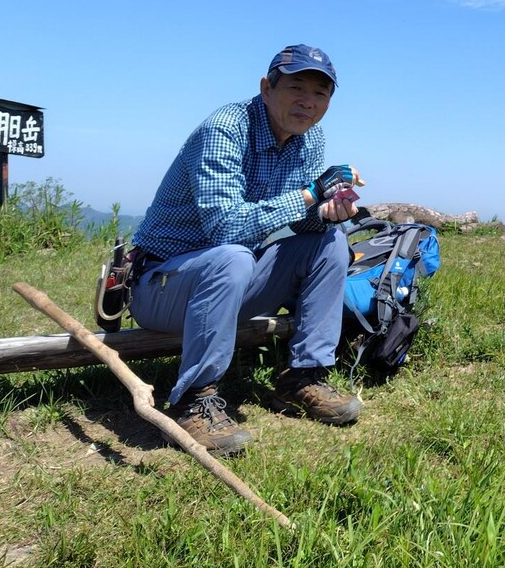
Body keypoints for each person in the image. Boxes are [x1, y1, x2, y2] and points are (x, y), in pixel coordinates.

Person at [130, 44, 365, 455]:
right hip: (161, 286)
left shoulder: (309, 140)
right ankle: (194, 401)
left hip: (232, 281)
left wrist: (327, 212)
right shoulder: (225, 129)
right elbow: (225, 228)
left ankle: (303, 377)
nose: (308, 102)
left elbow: (295, 222)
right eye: (296, 87)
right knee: (233, 256)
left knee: (330, 241)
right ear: (265, 87)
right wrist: (311, 193)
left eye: (320, 93)